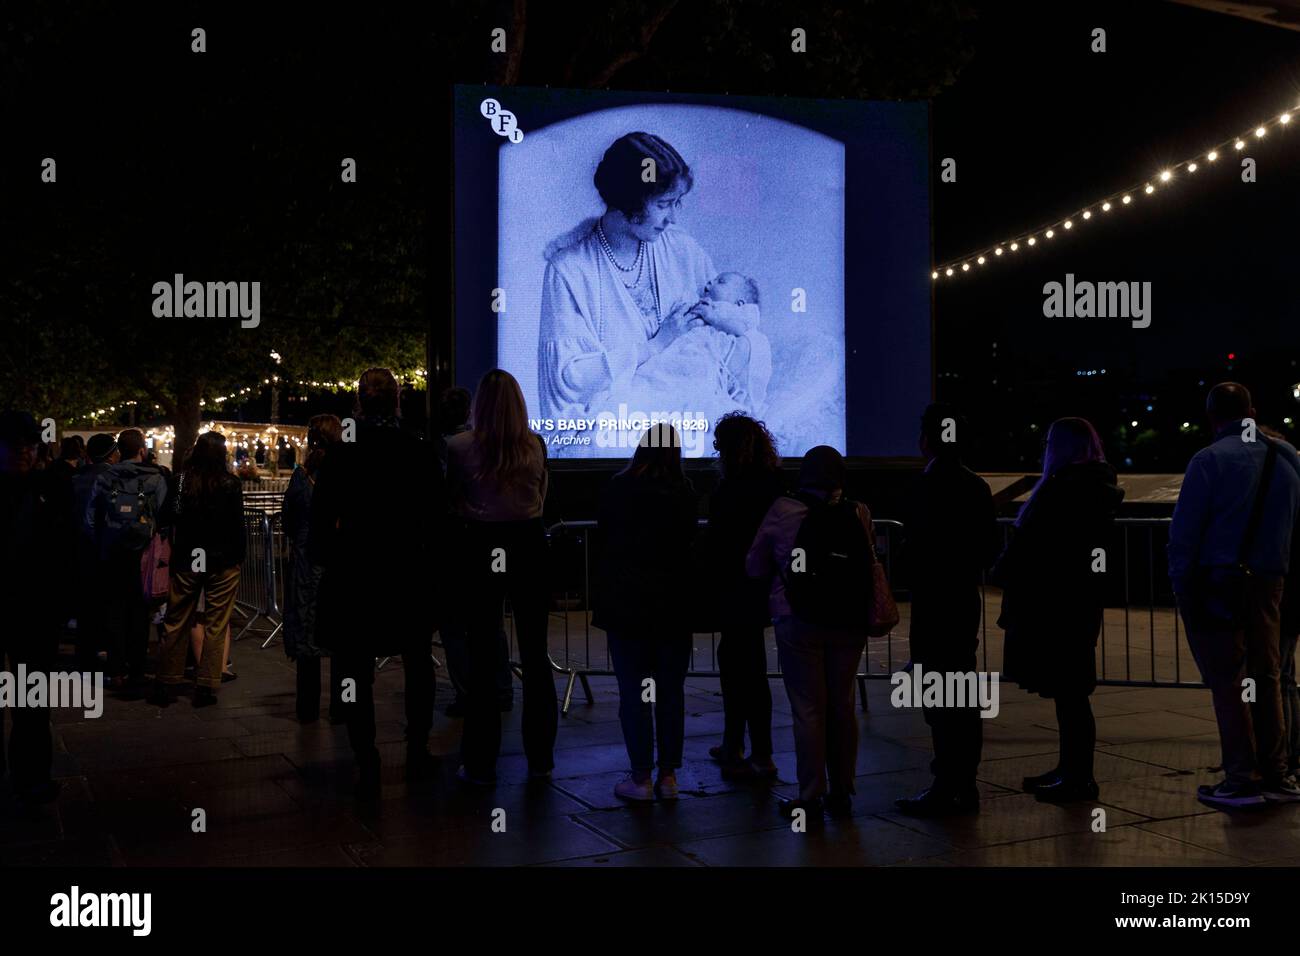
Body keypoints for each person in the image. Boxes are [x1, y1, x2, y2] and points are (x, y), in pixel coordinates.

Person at [538, 132, 721, 456]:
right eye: (663, 204)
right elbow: (569, 380)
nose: (673, 218)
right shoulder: (570, 270)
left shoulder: (682, 250)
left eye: (676, 203)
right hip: (617, 436)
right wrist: (654, 346)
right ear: (629, 200)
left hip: (687, 421)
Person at [309, 368, 443, 801]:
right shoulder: (418, 450)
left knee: (353, 671)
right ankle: (417, 748)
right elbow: (433, 516)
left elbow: (321, 518)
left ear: (359, 403)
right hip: (408, 571)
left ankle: (365, 756)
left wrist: (327, 557)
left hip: (356, 573)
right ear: (398, 402)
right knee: (418, 662)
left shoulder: (343, 454)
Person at [1168, 384, 1300, 807]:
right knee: (1268, 678)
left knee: (1228, 682)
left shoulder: (1208, 460)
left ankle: (1240, 777)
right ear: (1252, 411)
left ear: (1211, 417)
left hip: (1220, 581)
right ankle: (1277, 775)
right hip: (1270, 582)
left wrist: (1183, 586)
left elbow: (1185, 536)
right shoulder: (1287, 456)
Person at [994, 417, 1123, 803]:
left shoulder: (1064, 489)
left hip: (1056, 605)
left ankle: (1078, 777)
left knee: (1069, 694)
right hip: (1076, 604)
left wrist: (1006, 570)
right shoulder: (1093, 487)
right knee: (1071, 693)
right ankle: (1072, 769)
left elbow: (1038, 546)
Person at [746, 445, 873, 821]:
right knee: (842, 705)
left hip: (798, 619)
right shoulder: (859, 511)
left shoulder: (784, 511)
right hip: (849, 621)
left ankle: (810, 794)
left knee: (808, 709)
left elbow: (754, 565)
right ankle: (843, 790)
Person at [446, 369, 553, 785]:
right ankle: (541, 758)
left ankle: (479, 761)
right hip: (529, 545)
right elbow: (543, 496)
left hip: (481, 545)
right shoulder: (535, 445)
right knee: (535, 653)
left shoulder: (459, 447)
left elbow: (452, 498)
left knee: (484, 654)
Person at [895, 405, 1000, 816]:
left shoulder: (926, 486)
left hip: (933, 602)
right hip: (961, 600)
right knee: (963, 691)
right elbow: (989, 547)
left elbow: (913, 550)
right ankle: (965, 782)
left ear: (928, 440)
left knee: (938, 698)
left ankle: (945, 783)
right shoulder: (976, 486)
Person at [594, 423, 699, 801]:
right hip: (673, 607)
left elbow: (606, 538)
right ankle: (668, 776)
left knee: (634, 693)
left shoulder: (619, 489)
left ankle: (640, 777)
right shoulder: (684, 493)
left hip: (627, 606)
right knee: (671, 692)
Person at [706, 412, 785, 779]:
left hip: (734, 587)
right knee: (749, 666)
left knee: (740, 667)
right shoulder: (770, 484)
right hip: (758, 587)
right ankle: (751, 748)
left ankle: (745, 747)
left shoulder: (729, 489)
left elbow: (719, 540)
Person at [150, 432, 244, 707]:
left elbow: (168, 515)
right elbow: (236, 525)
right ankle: (207, 682)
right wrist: (238, 556)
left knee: (177, 620)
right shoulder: (230, 484)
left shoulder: (180, 482)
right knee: (216, 622)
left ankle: (168, 678)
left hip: (188, 557)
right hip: (222, 560)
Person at [437, 385, 513, 718]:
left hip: (455, 546)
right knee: (490, 620)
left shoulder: (448, 448)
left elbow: (445, 496)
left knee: (454, 625)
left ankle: (468, 692)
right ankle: (501, 689)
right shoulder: (487, 444)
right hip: (487, 543)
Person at [0, 411, 60, 805]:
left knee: (32, 701)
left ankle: (32, 776)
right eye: (15, 444)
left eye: (29, 443)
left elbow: (65, 550)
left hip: (33, 611)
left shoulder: (50, 488)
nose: (24, 450)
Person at [85, 427, 167, 694]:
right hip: (143, 553)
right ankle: (137, 669)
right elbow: (165, 516)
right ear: (142, 449)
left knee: (115, 610)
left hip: (112, 552)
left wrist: (102, 542)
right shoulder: (156, 478)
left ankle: (117, 670)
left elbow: (89, 516)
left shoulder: (106, 476)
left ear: (120, 451)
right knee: (139, 612)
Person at [282, 413, 344, 723]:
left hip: (307, 560)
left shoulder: (301, 477)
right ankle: (342, 706)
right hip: (339, 560)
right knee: (341, 637)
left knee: (308, 635)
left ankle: (307, 708)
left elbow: (289, 519)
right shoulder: (347, 473)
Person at [70, 434, 120, 669]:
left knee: (85, 606)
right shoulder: (112, 478)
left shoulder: (76, 478)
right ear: (111, 453)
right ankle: (109, 655)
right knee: (107, 604)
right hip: (102, 548)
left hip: (80, 550)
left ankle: (85, 653)